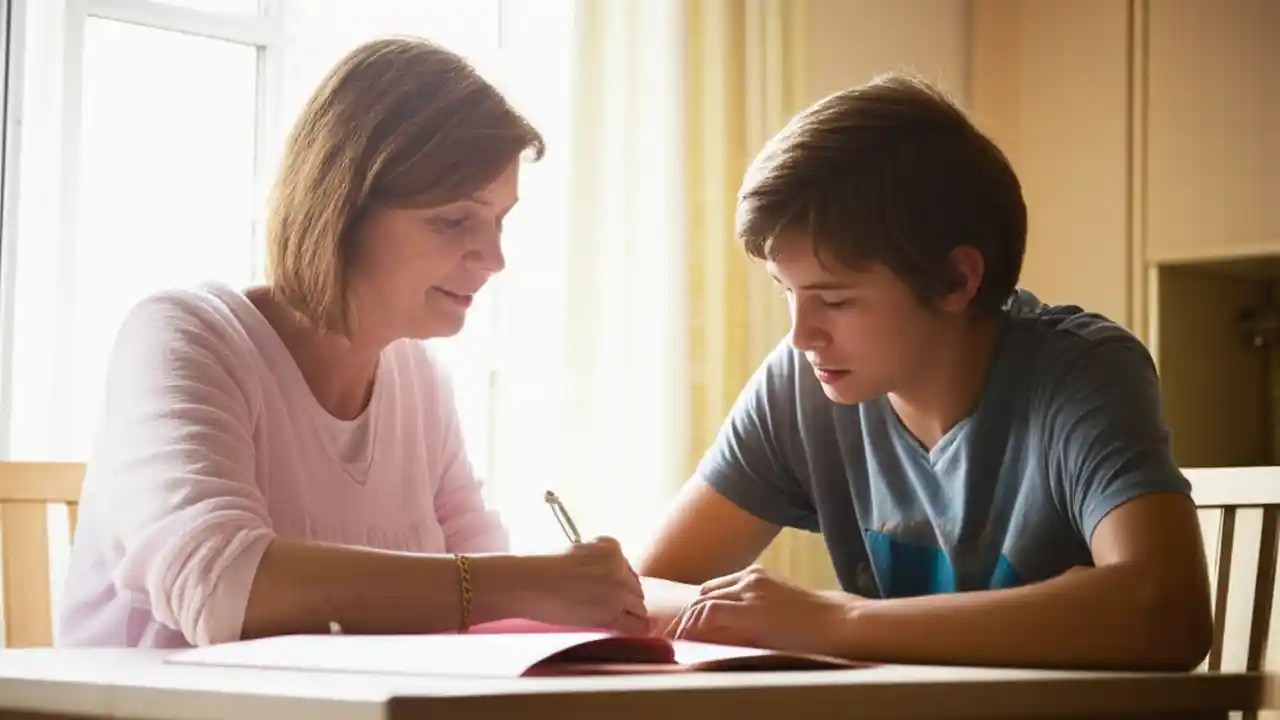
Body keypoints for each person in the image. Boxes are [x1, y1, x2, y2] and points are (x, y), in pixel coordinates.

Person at [59, 37, 646, 648]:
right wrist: (529, 583)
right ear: (340, 208)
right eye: (454, 220)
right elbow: (221, 590)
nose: (495, 257)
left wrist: (643, 601)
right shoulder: (184, 337)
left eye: (500, 220)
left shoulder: (418, 380)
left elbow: (496, 593)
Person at [640, 74, 1213, 670]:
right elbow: (640, 595)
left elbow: (1165, 610)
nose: (801, 334)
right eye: (787, 291)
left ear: (955, 280)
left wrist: (834, 620)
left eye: (835, 300)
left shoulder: (1080, 375)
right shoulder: (801, 383)